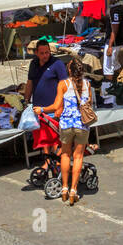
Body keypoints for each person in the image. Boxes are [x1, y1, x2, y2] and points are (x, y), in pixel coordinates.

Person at [35, 57, 92, 206]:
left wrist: (41, 109)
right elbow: (89, 104)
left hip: (66, 124)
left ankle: (65, 188)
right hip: (82, 125)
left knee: (65, 155)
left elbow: (56, 106)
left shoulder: (63, 84)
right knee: (78, 157)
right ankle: (74, 190)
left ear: (68, 70)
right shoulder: (87, 85)